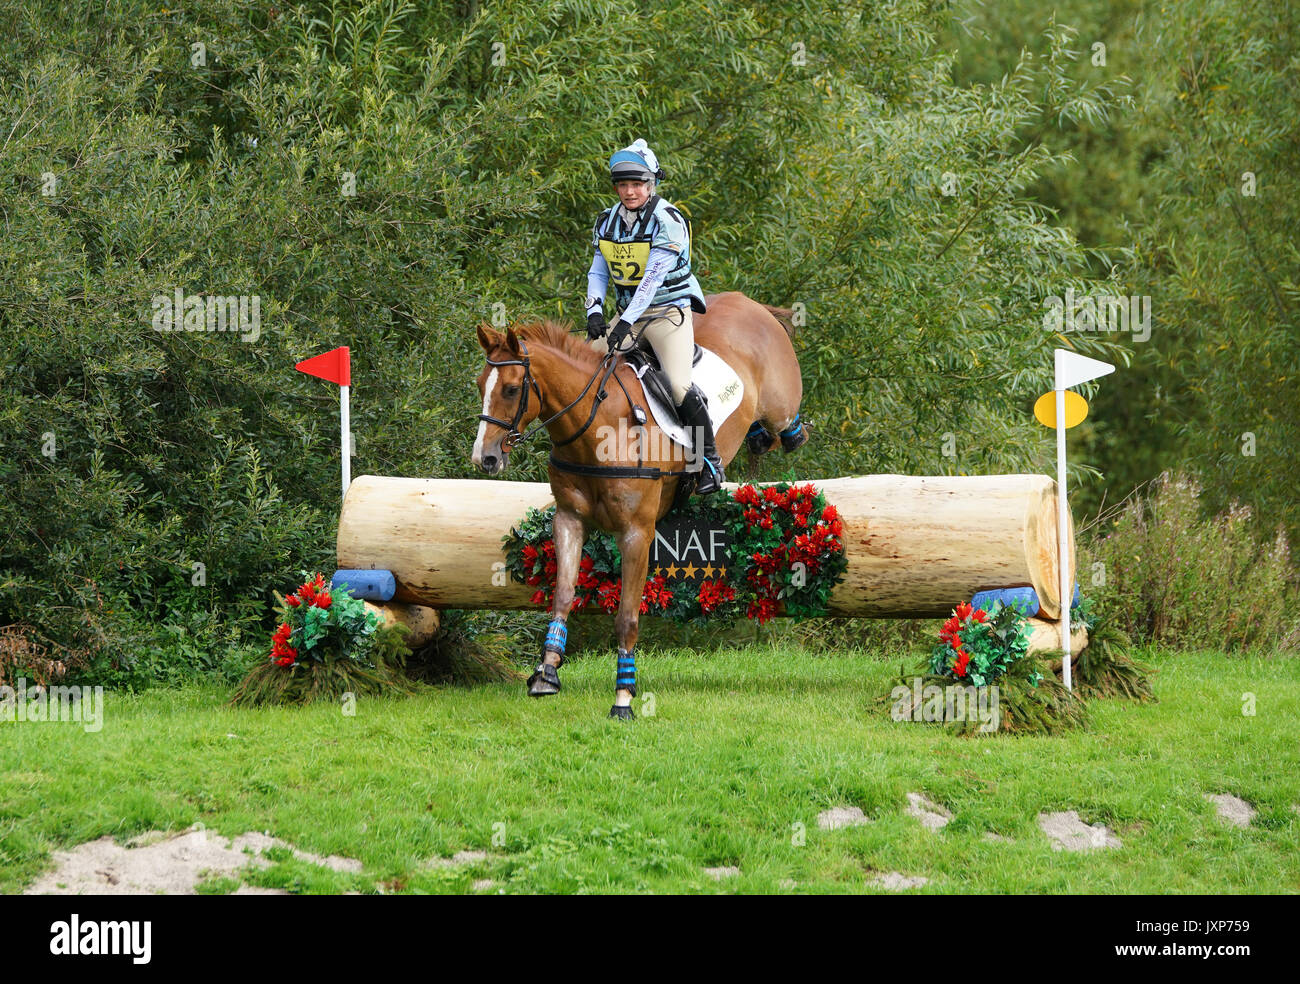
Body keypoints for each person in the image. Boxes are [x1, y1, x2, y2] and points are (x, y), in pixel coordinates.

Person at [583, 139, 724, 494]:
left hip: (665, 314)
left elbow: (651, 280)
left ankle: (708, 461)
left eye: (637, 184)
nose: (629, 191)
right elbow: (598, 272)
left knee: (678, 385)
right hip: (627, 315)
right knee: (583, 368)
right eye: (623, 184)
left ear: (652, 184)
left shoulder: (668, 220)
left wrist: (626, 322)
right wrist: (595, 311)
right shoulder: (606, 221)